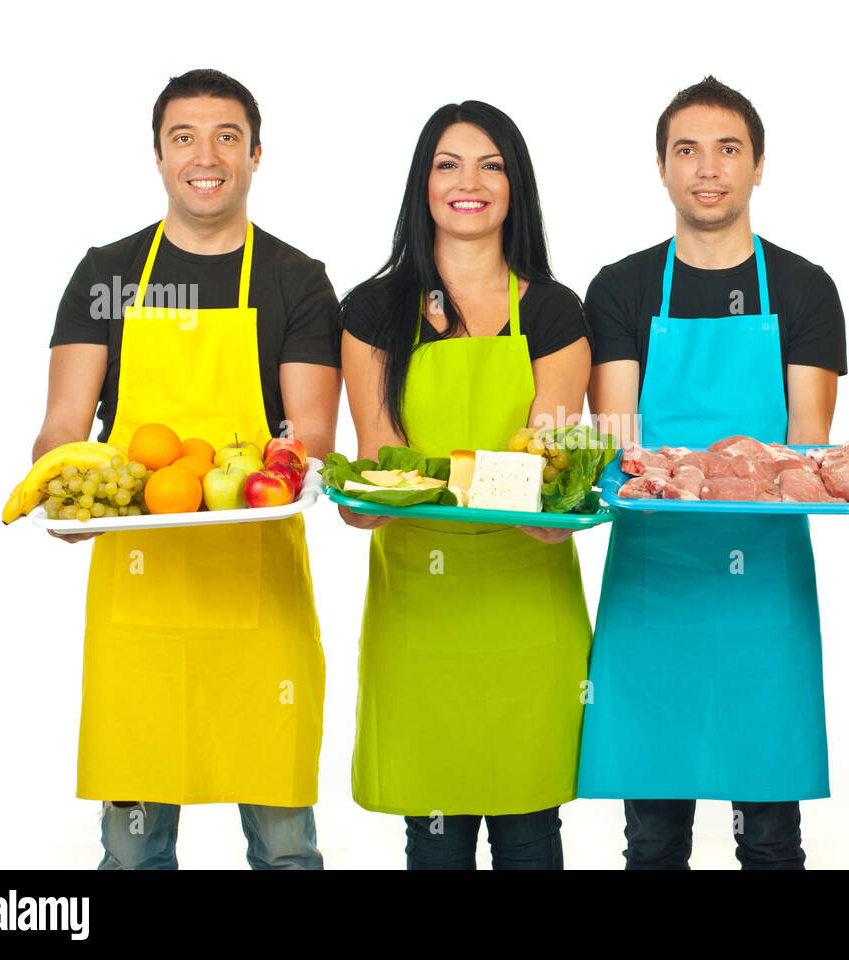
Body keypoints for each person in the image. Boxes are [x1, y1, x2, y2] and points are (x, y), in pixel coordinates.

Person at [37, 68, 340, 869]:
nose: (206, 155)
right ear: (160, 156)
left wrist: (278, 471)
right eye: (184, 137)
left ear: (256, 154)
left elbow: (308, 436)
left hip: (256, 587)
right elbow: (65, 426)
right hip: (142, 596)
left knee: (285, 853)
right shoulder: (108, 274)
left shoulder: (296, 280)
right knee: (132, 858)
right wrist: (60, 494)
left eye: (226, 137)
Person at [577, 76, 846, 869]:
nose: (708, 168)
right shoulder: (621, 288)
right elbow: (620, 442)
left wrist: (713, 473)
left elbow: (808, 452)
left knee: (768, 831)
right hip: (654, 580)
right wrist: (673, 474)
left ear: (758, 166)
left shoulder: (804, 288)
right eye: (686, 150)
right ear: (660, 168)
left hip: (763, 581)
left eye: (729, 150)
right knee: (653, 834)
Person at [339, 101, 593, 870]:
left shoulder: (553, 311)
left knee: (529, 829)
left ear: (515, 187)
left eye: (490, 164)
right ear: (423, 185)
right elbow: (375, 478)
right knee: (437, 834)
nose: (468, 182)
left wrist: (432, 475)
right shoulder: (373, 311)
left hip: (529, 603)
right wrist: (480, 478)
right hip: (422, 609)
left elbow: (550, 475)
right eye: (447, 164)